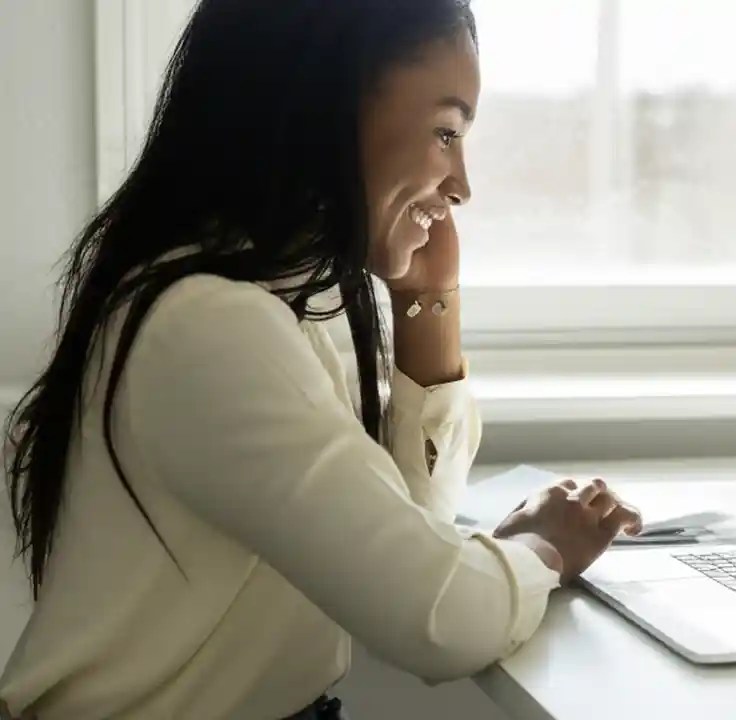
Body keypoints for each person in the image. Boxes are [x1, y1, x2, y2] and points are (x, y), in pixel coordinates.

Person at [0, 1, 641, 717]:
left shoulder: (253, 303)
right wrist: (547, 550)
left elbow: (396, 544)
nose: (462, 184)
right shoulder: (212, 330)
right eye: (444, 132)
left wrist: (428, 302)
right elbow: (440, 622)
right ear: (327, 105)